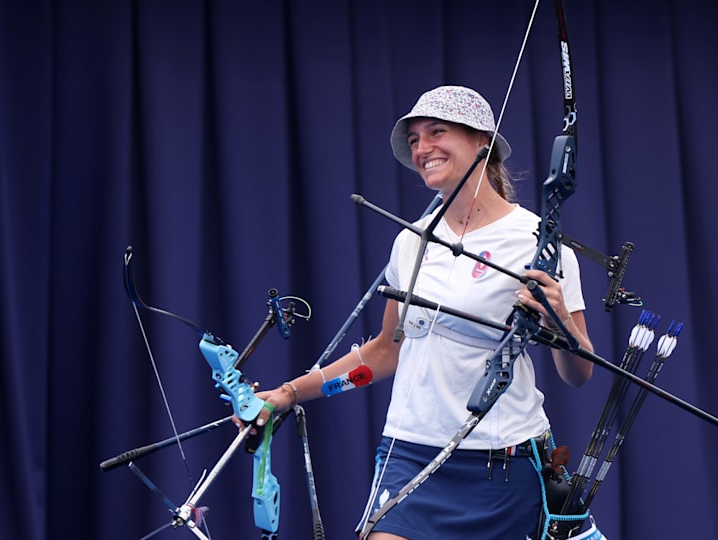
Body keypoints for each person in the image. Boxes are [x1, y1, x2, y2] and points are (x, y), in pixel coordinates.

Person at [244, 85, 594, 539]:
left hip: (501, 465)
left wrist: (558, 320)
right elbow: (386, 353)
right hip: (407, 456)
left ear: (482, 142)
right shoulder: (410, 241)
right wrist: (289, 393)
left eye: (436, 132)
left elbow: (579, 373)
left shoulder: (538, 242)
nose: (422, 148)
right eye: (413, 140)